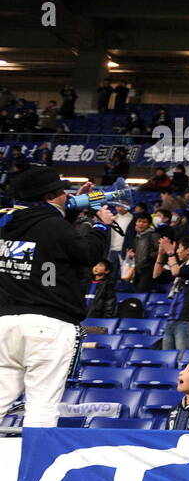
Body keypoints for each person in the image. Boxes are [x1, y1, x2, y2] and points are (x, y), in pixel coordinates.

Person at [0, 169, 114, 426]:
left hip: (5, 322)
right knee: (42, 405)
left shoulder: (6, 222)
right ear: (50, 196)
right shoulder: (54, 226)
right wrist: (100, 226)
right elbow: (87, 254)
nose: (67, 194)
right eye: (62, 191)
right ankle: (36, 466)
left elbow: (45, 232)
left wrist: (71, 211)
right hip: (47, 324)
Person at [156, 234, 189, 351]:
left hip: (187, 320)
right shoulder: (180, 266)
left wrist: (171, 254)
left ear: (188, 250)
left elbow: (176, 272)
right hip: (172, 319)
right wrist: (161, 254)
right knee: (167, 358)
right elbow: (156, 275)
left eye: (179, 248)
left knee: (182, 359)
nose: (177, 251)